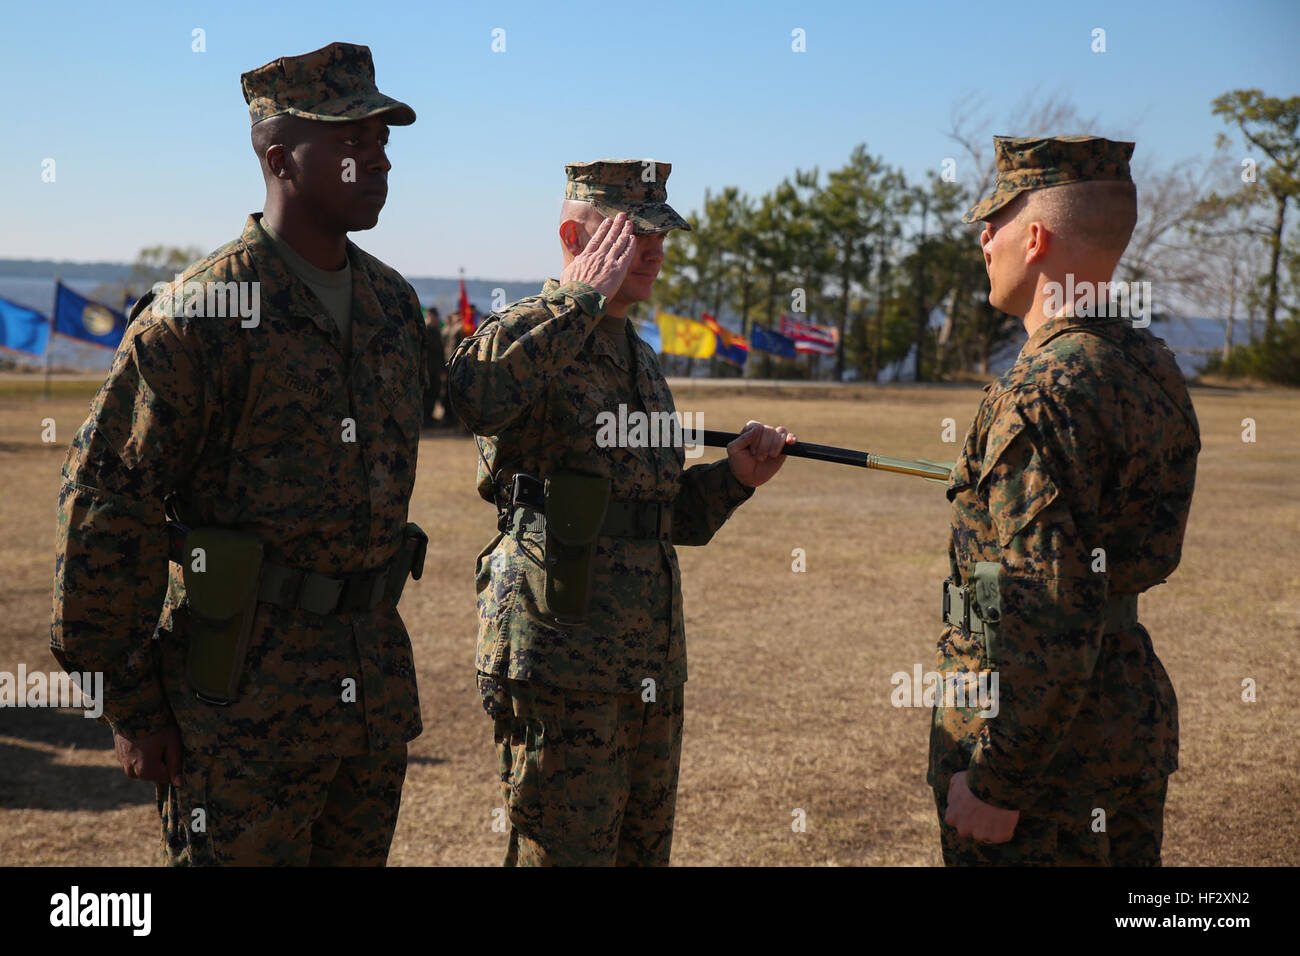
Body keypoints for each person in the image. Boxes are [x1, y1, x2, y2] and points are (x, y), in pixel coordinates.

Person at [50, 42, 428, 866]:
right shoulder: (201, 316)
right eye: (349, 139)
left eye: (382, 138)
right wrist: (133, 707)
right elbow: (109, 509)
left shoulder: (396, 305)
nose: (377, 157)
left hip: (369, 699)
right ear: (277, 156)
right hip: (240, 712)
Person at [447, 159, 794, 866]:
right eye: (636, 233)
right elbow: (473, 393)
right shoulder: (532, 332)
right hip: (561, 658)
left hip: (647, 660)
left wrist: (733, 479)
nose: (657, 249)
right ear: (575, 235)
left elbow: (659, 516)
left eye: (663, 233)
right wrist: (571, 305)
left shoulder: (638, 355)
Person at [929, 136, 1200, 865]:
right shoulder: (1150, 365)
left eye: (996, 222)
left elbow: (1048, 610)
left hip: (1044, 767)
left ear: (1037, 237)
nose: (984, 238)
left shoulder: (1040, 396)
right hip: (1122, 718)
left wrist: (997, 782)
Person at [423, 305, 445, 428]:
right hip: (427, 369)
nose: (434, 319)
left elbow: (440, 352)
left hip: (435, 369)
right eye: (432, 316)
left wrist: (442, 368)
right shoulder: (425, 330)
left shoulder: (436, 331)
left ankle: (429, 418)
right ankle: (425, 419)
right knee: (426, 394)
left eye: (436, 316)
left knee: (434, 393)